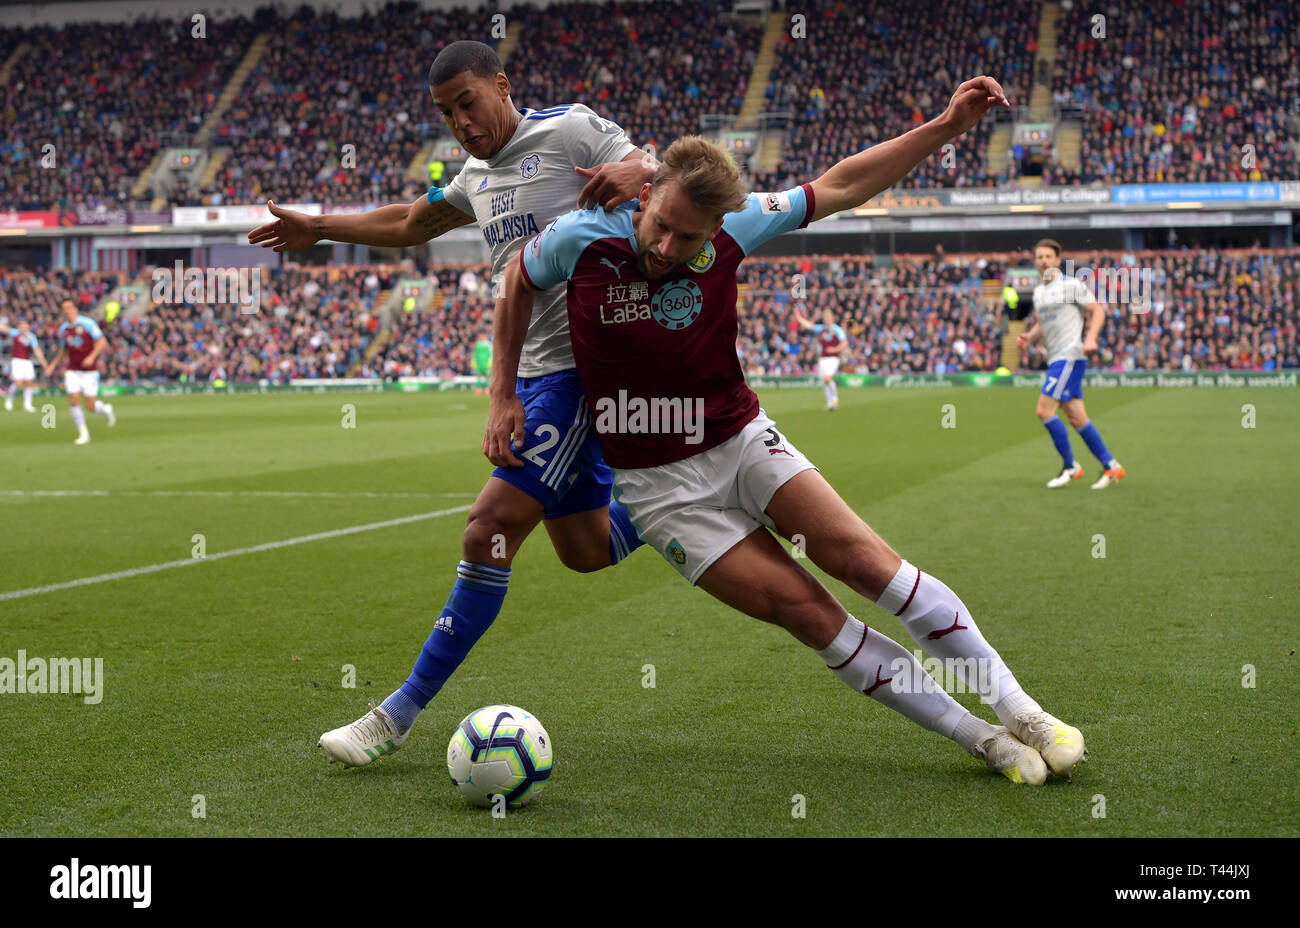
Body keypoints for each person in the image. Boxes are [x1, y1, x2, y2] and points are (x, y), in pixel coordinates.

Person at [491, 78, 1085, 785]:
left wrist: (946, 127)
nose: (666, 244)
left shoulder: (739, 222)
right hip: (659, 493)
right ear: (646, 197)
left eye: (689, 238)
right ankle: (983, 740)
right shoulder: (581, 237)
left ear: (719, 228)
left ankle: (1023, 713)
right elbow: (517, 284)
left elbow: (843, 184)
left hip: (742, 443)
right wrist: (503, 391)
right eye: (660, 224)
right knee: (810, 614)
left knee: (871, 567)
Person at [250, 40, 658, 766]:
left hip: (581, 370)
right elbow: (410, 223)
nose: (459, 122)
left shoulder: (568, 131)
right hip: (534, 372)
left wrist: (642, 167)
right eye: (444, 113)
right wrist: (321, 227)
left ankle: (393, 717)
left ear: (502, 86)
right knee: (585, 550)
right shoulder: (474, 176)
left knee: (486, 530)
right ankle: (678, 506)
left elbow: (653, 168)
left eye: (467, 103)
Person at [1016, 239, 1126, 489]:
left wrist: (1090, 338)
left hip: (1070, 356)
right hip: (1056, 357)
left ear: (1057, 260)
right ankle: (1111, 466)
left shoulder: (1072, 285)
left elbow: (1097, 310)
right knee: (1077, 417)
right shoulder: (1039, 292)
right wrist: (1030, 337)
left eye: (1048, 257)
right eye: (1039, 257)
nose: (1043, 261)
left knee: (1044, 411)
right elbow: (1043, 323)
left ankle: (1070, 466)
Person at [45, 299, 115, 445]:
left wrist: (91, 356)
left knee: (91, 406)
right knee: (74, 400)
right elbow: (64, 350)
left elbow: (102, 341)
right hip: (73, 370)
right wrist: (52, 366)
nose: (67, 311)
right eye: (64, 308)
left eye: (69, 307)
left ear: (75, 309)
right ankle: (83, 433)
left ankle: (106, 409)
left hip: (89, 371)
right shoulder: (63, 329)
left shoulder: (87, 323)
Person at [793, 305, 846, 410]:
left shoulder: (837, 329)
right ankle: (830, 403)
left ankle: (835, 399)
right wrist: (799, 317)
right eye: (825, 317)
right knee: (825, 381)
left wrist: (834, 349)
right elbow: (809, 325)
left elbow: (845, 343)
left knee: (827, 379)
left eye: (828, 317)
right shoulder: (822, 328)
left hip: (833, 358)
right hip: (823, 358)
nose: (826, 319)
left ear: (832, 318)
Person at [3, 319, 49, 413]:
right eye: (22, 325)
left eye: (25, 325)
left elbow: (36, 349)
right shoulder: (15, 333)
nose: (24, 327)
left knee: (28, 382)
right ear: (19, 326)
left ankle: (27, 405)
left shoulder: (31, 337)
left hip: (27, 361)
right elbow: (4, 328)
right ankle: (9, 399)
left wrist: (43, 360)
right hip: (17, 360)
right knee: (18, 383)